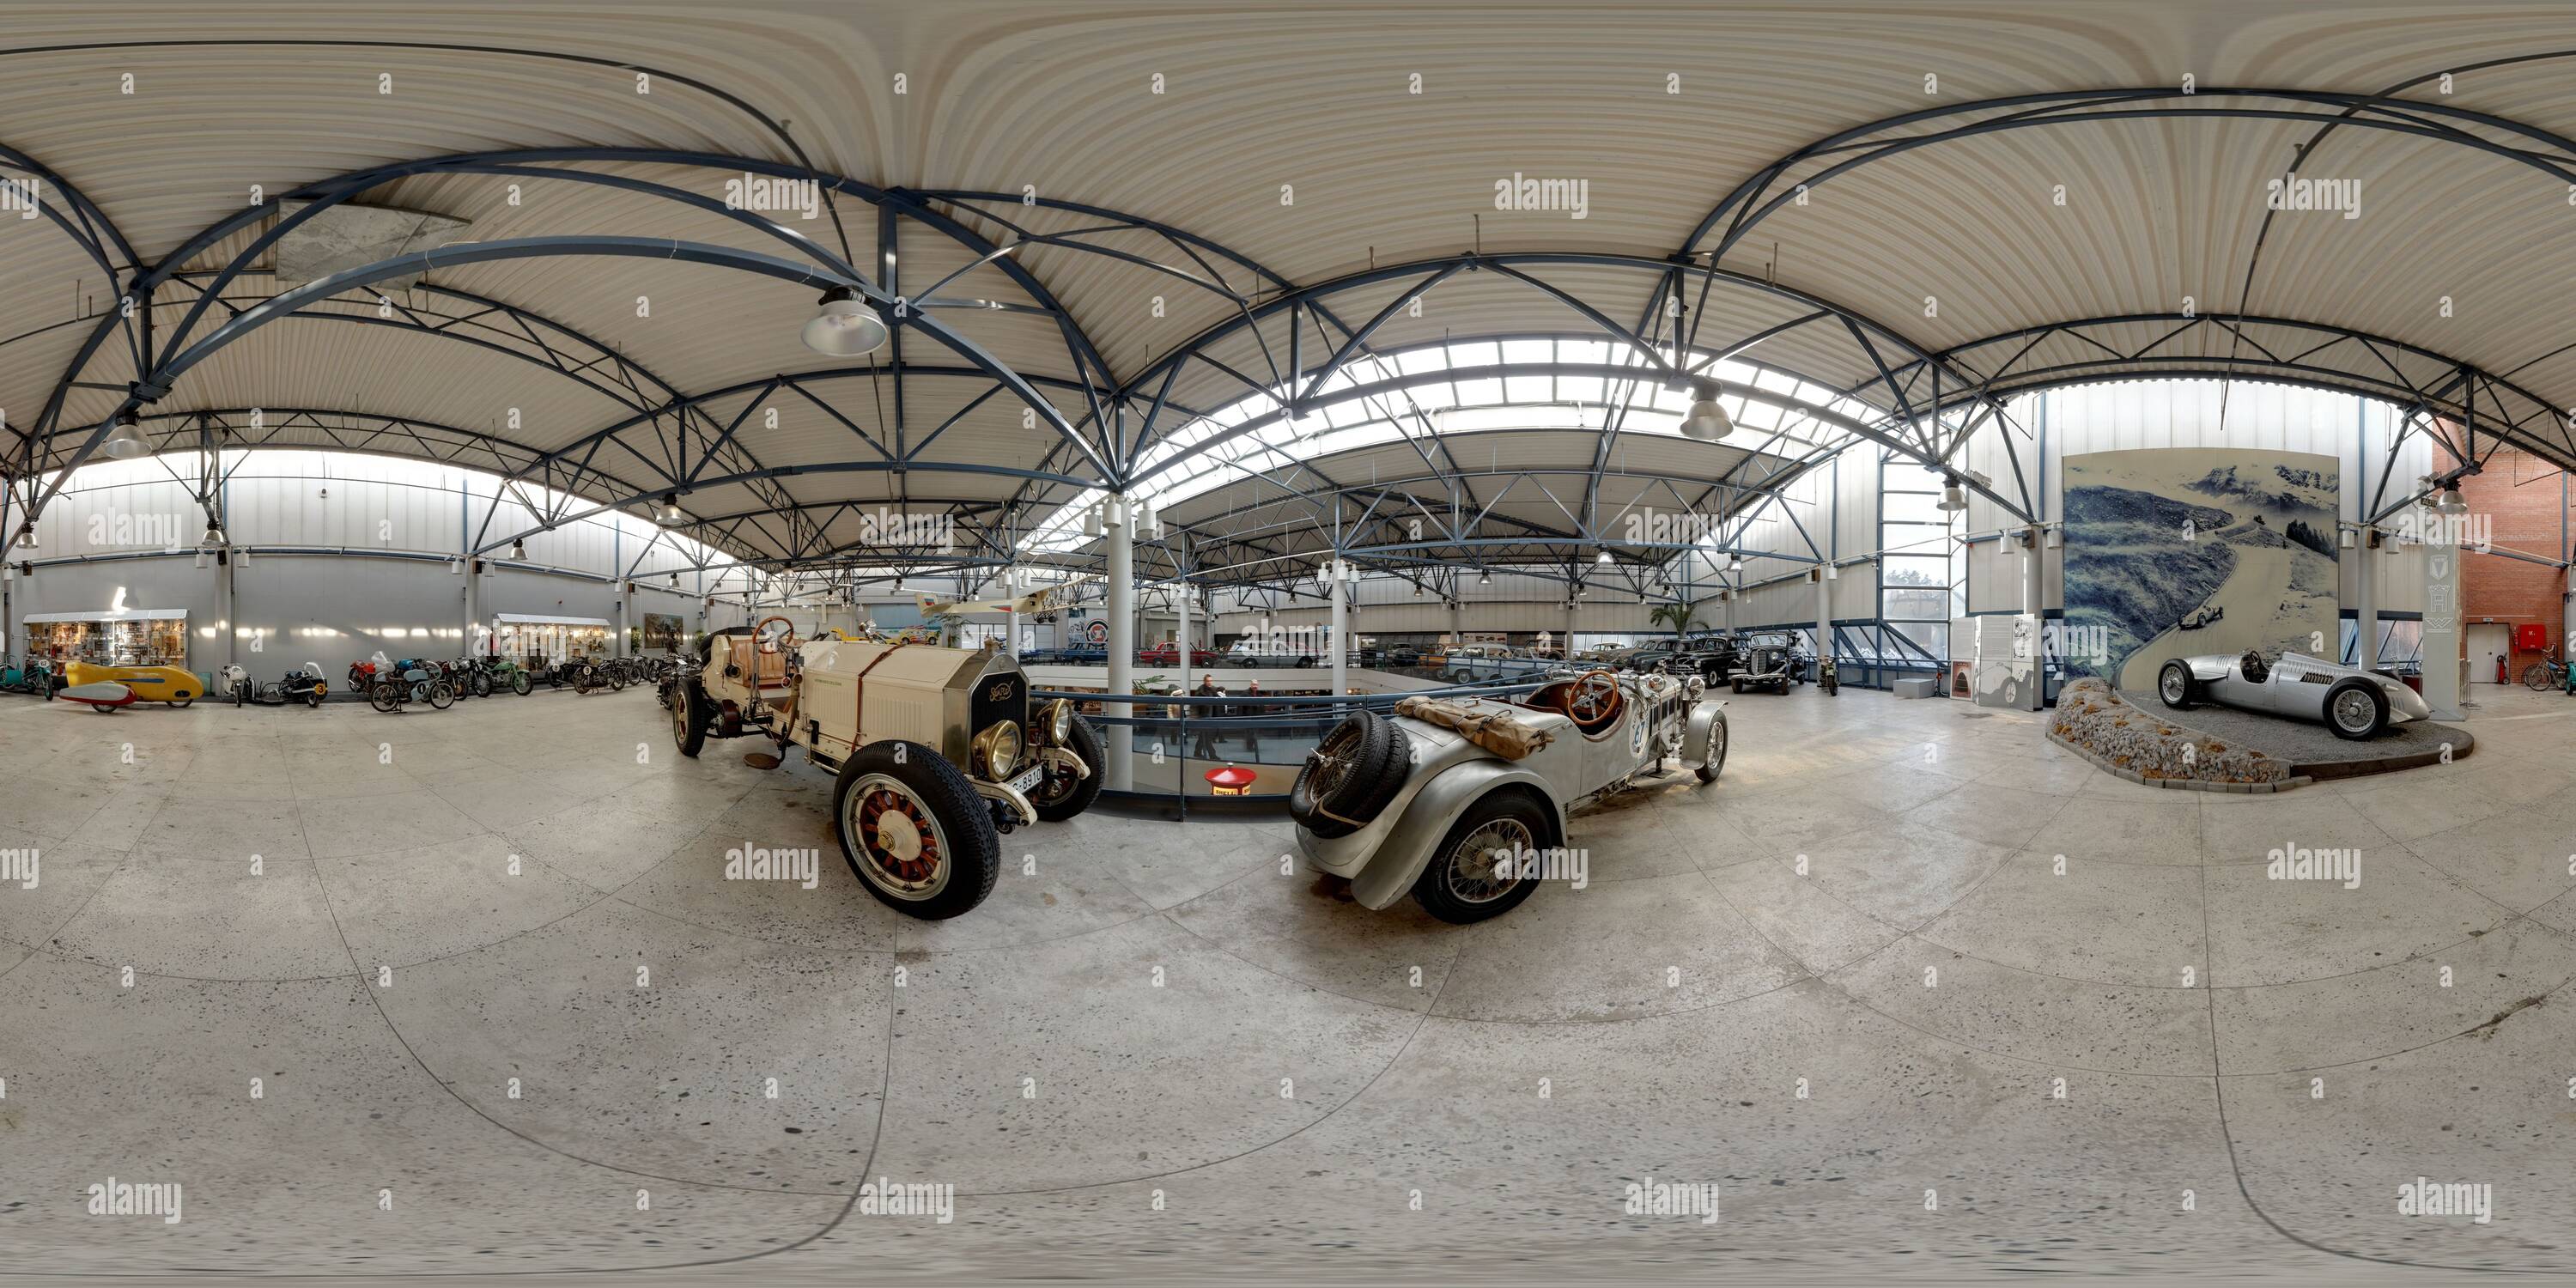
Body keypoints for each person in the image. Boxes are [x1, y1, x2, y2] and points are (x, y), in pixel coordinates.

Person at [1191, 674, 1224, 760]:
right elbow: (1195, 706)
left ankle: (1197, 752)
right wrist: (1196, 718)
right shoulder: (1200, 691)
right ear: (1204, 681)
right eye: (1208, 681)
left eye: (1211, 681)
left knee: (1203, 737)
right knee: (1207, 738)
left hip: (1211, 717)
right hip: (1203, 718)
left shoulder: (1213, 690)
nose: (1209, 682)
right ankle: (1212, 755)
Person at [1240, 678, 1265, 758]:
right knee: (1250, 733)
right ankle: (1249, 747)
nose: (1255, 686)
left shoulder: (1259, 694)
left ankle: (1252, 746)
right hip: (1248, 717)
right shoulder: (1245, 694)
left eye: (1256, 685)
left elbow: (1262, 706)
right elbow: (1240, 706)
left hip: (1257, 717)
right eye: (1254, 685)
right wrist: (1241, 718)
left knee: (1254, 733)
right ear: (1251, 685)